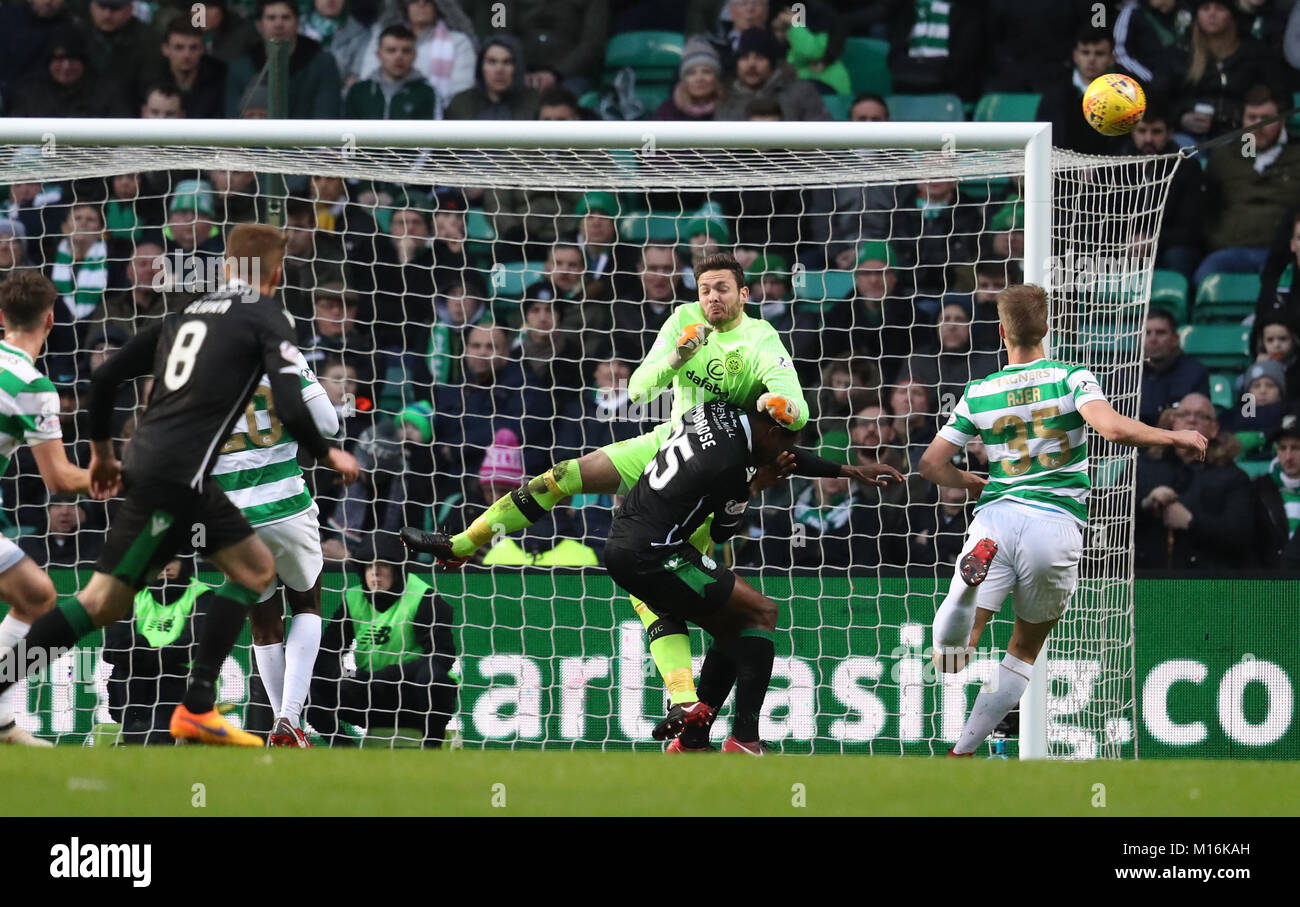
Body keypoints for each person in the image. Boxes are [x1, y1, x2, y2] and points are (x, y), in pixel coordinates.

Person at [405, 253, 898, 719]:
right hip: (668, 441)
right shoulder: (684, 320)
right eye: (705, 289)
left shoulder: (761, 340)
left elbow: (795, 404)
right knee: (563, 475)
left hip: (713, 476)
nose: (712, 298)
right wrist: (678, 354)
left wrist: (781, 406)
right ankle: (462, 543)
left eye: (722, 289)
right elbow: (638, 388)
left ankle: (688, 705)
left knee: (667, 585)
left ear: (744, 294)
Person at [0, 225, 360, 748]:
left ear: (227, 267)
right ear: (276, 273)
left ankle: (197, 706)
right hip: (179, 480)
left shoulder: (185, 317)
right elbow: (295, 398)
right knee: (102, 604)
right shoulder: (264, 318)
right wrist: (327, 453)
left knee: (253, 570)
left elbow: (104, 379)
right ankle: (198, 706)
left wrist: (101, 451)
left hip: (166, 471)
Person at [921, 283, 1206, 757]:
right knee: (1024, 650)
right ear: (1047, 328)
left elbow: (931, 464)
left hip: (995, 518)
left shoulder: (979, 390)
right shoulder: (1071, 377)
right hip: (1053, 523)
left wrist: (973, 482)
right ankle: (962, 753)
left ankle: (967, 588)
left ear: (1000, 332)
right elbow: (1113, 429)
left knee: (952, 656)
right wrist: (1176, 436)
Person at [213, 344, 340, 747]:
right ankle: (289, 719)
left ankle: (279, 726)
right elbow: (329, 424)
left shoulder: (197, 359)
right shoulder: (280, 351)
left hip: (231, 517)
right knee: (306, 603)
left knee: (263, 621)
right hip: (286, 506)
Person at [0, 274, 93, 746]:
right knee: (39, 597)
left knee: (34, 594)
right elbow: (59, 479)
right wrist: (112, 474)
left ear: (0, 318)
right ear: (51, 320)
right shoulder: (33, 385)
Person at [308, 535, 457, 747]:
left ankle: (432, 744)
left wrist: (386, 676)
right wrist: (347, 676)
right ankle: (343, 747)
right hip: (369, 694)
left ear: (397, 570)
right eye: (369, 566)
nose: (375, 572)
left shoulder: (425, 597)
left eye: (382, 565)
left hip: (411, 695)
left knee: (435, 677)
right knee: (303, 681)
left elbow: (442, 656)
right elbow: (327, 653)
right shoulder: (353, 598)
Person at [1135, 392, 1254, 569]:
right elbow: (1111, 516)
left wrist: (1191, 523)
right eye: (1184, 414)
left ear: (1214, 428)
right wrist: (1145, 503)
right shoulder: (1145, 466)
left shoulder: (1232, 476)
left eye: (1201, 416)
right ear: (1173, 423)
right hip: (1146, 577)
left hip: (1205, 582)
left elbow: (1241, 533)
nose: (1191, 420)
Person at [101, 557, 211, 745]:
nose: (166, 565)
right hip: (136, 681)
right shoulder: (131, 594)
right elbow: (111, 648)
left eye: (173, 559)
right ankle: (136, 730)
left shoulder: (202, 596)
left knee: (165, 673)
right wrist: (143, 651)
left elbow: (194, 645)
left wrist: (145, 654)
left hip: (182, 680)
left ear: (184, 563)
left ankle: (161, 734)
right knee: (127, 667)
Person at [1198, 85, 1300, 285]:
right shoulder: (1224, 158)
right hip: (1231, 251)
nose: (1257, 126)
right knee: (1207, 273)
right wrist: (1217, 240)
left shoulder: (1297, 155)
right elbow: (1207, 209)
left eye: (1266, 119)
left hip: (1285, 252)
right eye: (1252, 118)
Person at [225, 0, 342, 119]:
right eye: (271, 18)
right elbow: (232, 120)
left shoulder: (322, 63)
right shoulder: (240, 68)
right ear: (259, 25)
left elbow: (327, 115)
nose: (279, 24)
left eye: (286, 17)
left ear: (297, 23)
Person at [714, 27, 829, 121]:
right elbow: (715, 147)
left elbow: (827, 139)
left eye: (759, 57)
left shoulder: (801, 92)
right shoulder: (726, 99)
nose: (751, 64)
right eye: (744, 57)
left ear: (772, 63)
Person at [344, 24, 438, 119]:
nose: (399, 57)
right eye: (391, 50)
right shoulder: (359, 92)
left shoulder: (428, 93)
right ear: (379, 54)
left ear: (414, 55)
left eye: (406, 51)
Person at [443, 34, 540, 120]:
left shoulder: (535, 104)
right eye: (492, 62)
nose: (499, 70)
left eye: (507, 62)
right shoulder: (461, 104)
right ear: (481, 67)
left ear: (517, 67)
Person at [1140, 309, 1210, 425]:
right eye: (1147, 333)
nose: (1153, 339)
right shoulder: (1122, 373)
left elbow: (1201, 418)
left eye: (1161, 332)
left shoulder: (1195, 372)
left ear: (1175, 339)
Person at [19, 494, 102, 568]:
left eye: (72, 504)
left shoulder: (101, 543)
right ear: (48, 512)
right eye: (57, 505)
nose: (64, 512)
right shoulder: (28, 544)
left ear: (85, 513)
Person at [654, 36, 725, 121]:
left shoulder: (731, 108)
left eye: (706, 72)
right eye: (691, 73)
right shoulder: (667, 111)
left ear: (716, 77)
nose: (699, 78)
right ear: (683, 79)